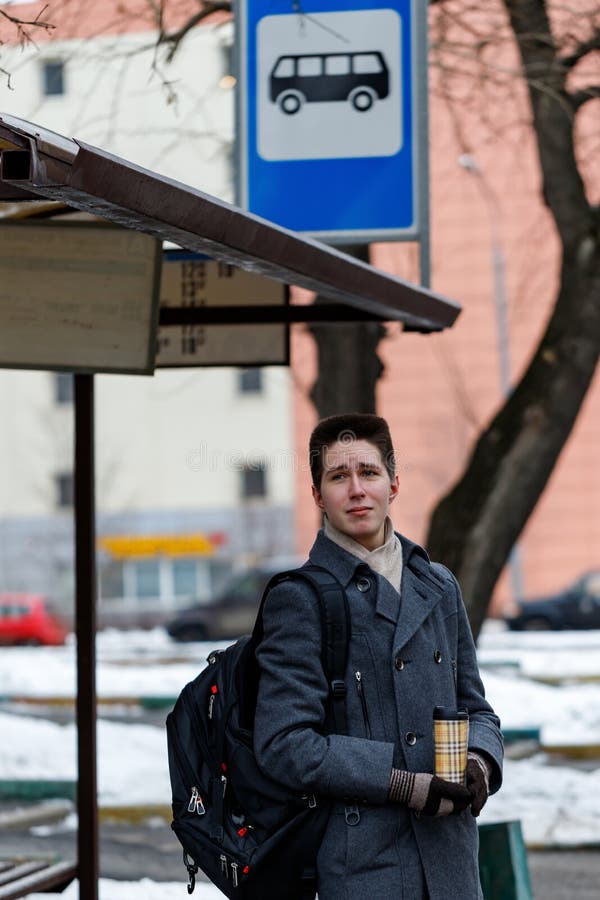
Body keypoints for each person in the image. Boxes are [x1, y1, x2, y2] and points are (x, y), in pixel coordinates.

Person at [254, 413, 503, 900]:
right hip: (364, 869)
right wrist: (399, 783)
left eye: (368, 472)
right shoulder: (300, 598)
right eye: (337, 476)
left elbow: (477, 708)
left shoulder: (438, 583)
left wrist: (479, 761)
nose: (356, 490)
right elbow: (284, 743)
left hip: (452, 864)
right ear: (317, 494)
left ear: (393, 482)